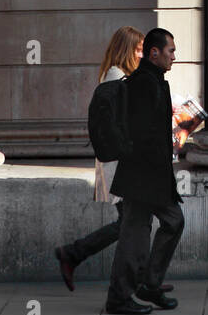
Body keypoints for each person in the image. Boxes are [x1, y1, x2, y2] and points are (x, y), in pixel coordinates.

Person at [53, 26, 170, 296]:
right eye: (140, 49)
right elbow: (115, 122)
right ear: (128, 49)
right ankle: (76, 255)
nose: (144, 54)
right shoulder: (117, 76)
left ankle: (137, 278)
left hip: (123, 162)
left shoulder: (123, 76)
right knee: (131, 223)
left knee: (132, 223)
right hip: (119, 163)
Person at [105, 28, 184, 315]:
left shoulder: (153, 81)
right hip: (144, 177)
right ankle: (123, 295)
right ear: (155, 52)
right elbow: (143, 135)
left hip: (147, 176)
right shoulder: (144, 83)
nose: (174, 56)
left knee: (147, 230)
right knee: (137, 235)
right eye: (170, 51)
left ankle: (146, 285)